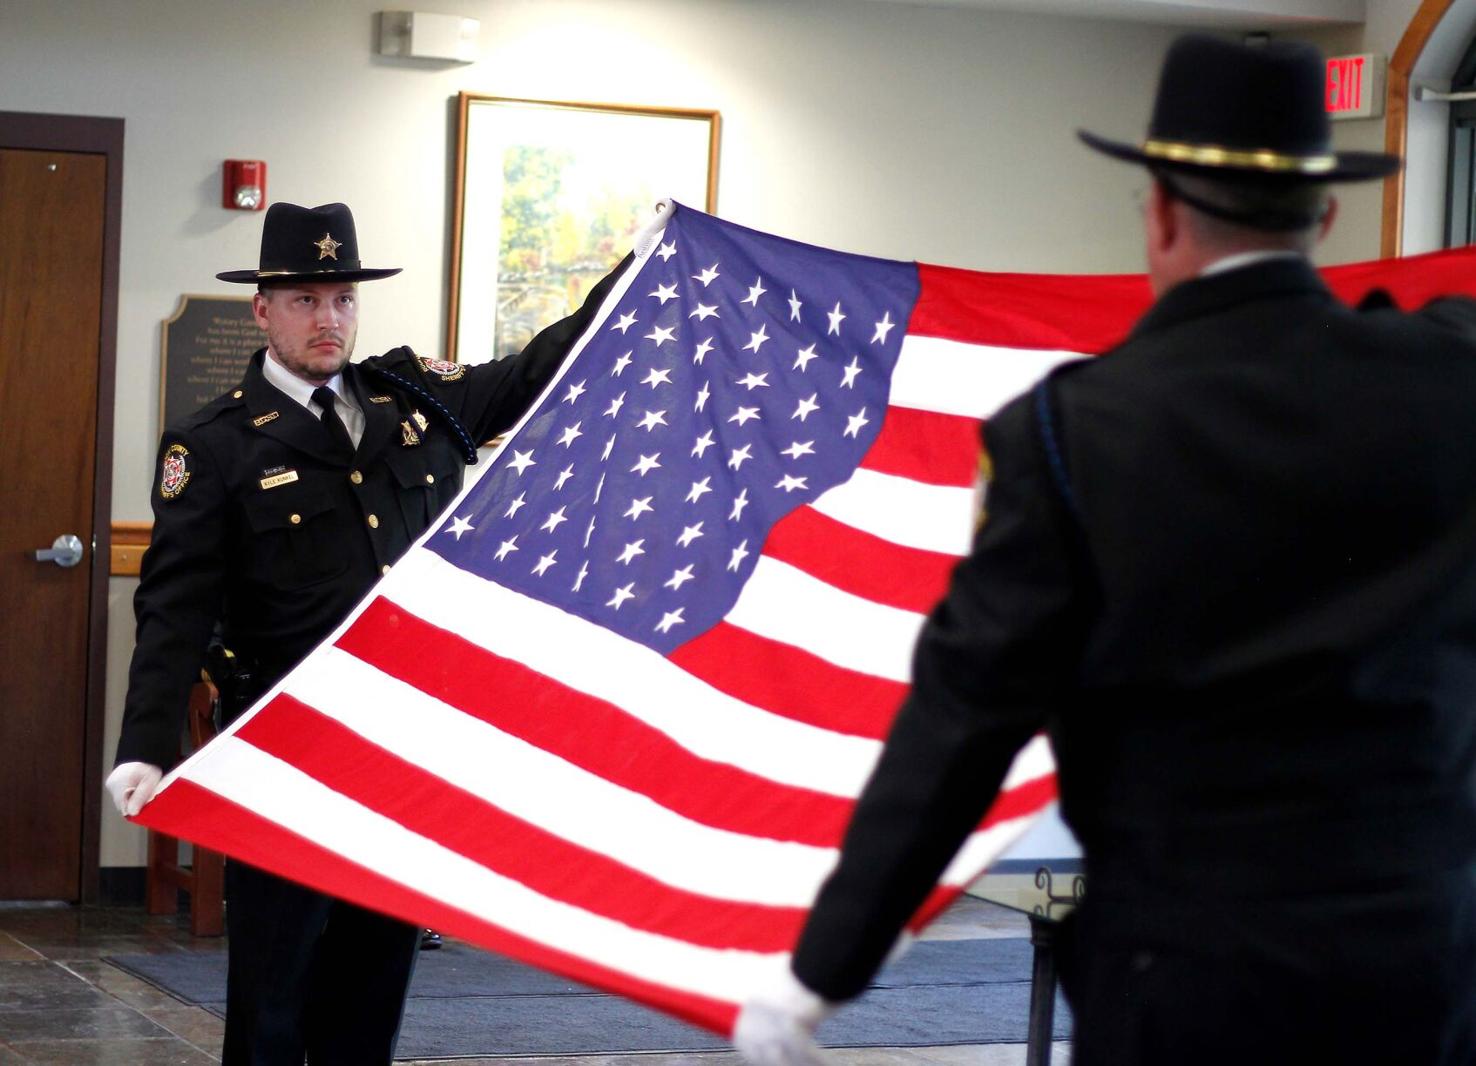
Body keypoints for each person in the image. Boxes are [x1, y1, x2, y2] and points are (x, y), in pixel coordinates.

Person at [734, 34, 1476, 1066]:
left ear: (1161, 212)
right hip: (1424, 971)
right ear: (1327, 217)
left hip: (1188, 980)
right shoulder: (1448, 389)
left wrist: (825, 967)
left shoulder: (1069, 435)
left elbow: (964, 722)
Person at [105, 201, 620, 1065]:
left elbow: (539, 369)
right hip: (283, 746)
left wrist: (630, 274)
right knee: (274, 998)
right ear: (262, 311)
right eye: (304, 300)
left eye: (341, 297)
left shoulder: (413, 396)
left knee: (373, 988)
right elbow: (175, 605)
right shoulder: (215, 443)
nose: (328, 318)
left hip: (397, 747)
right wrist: (145, 745)